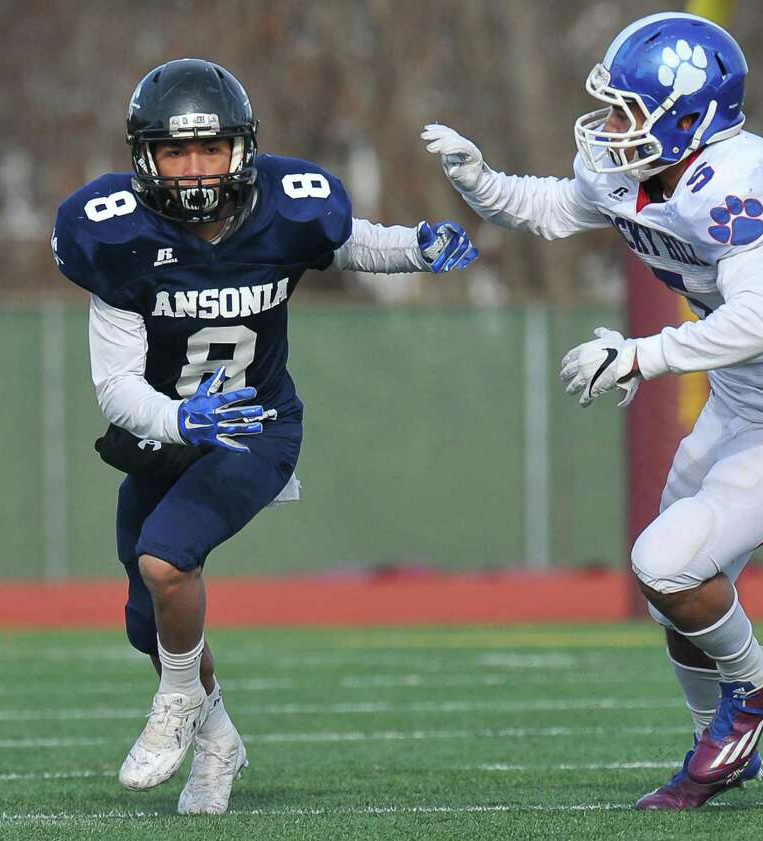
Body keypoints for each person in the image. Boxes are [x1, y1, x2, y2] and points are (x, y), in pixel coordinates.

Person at [422, 12, 763, 811]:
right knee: (672, 584)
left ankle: (754, 685)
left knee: (667, 563)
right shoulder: (631, 169)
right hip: (740, 401)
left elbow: (760, 321)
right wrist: (480, 180)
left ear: (689, 118)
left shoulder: (740, 177)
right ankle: (721, 744)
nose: (609, 126)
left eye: (628, 110)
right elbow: (553, 207)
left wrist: (641, 355)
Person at [52, 58, 477, 815]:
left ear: (242, 149)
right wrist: (180, 420)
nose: (194, 169)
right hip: (167, 431)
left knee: (165, 559)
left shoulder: (287, 206)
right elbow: (116, 387)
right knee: (147, 621)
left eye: (210, 149)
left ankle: (176, 703)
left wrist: (417, 247)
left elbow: (347, 244)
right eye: (175, 151)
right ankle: (218, 738)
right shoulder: (114, 234)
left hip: (257, 424)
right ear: (144, 157)